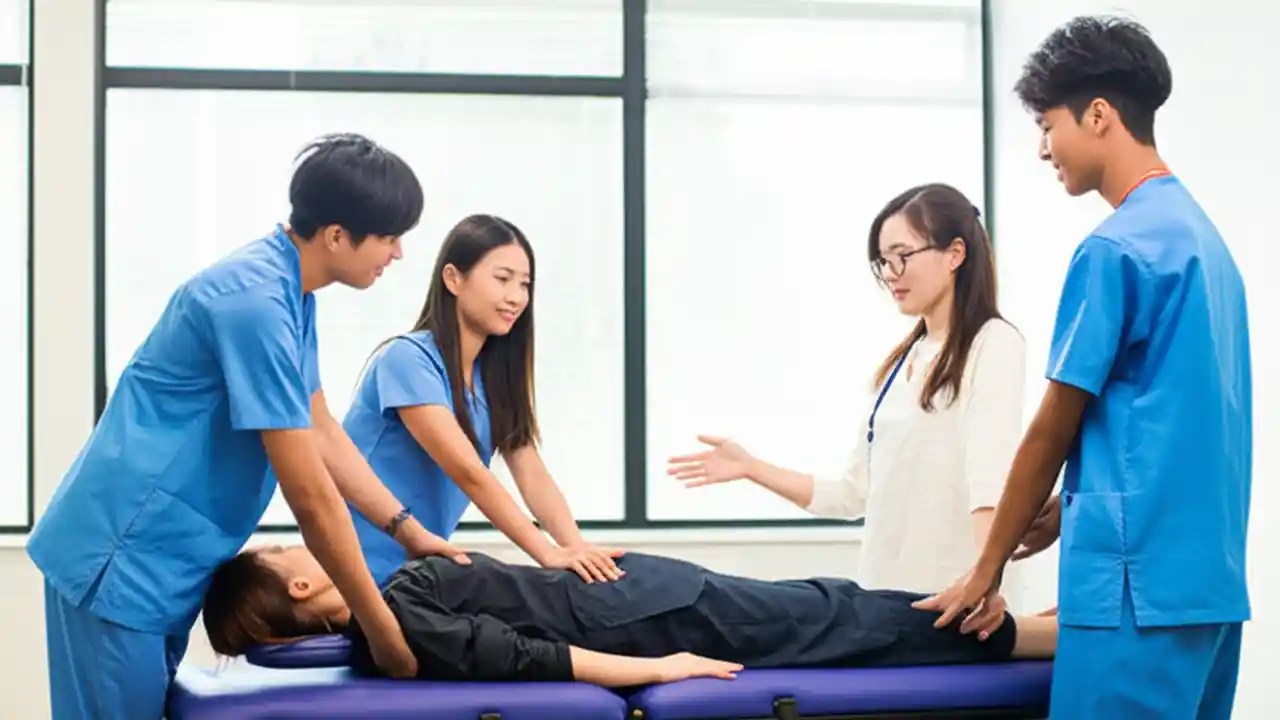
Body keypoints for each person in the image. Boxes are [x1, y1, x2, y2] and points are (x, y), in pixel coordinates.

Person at [26, 133, 468, 720]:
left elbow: (320, 430)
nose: (398, 254)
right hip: (121, 556)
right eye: (389, 237)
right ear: (337, 236)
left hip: (166, 561)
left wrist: (406, 531)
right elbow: (310, 495)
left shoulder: (291, 294)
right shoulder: (254, 302)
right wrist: (379, 627)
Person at [915, 16, 1252, 720]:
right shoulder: (1206, 245)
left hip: (1133, 593)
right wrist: (1071, 511)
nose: (1043, 149)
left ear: (1098, 115)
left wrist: (986, 568)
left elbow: (1052, 427)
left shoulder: (1115, 249)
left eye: (1046, 124)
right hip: (1206, 588)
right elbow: (1167, 419)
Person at [668, 184, 1025, 620]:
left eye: (902, 255)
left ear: (954, 254)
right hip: (880, 601)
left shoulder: (993, 344)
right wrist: (750, 467)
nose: (891, 272)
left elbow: (991, 486)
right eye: (883, 261)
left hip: (951, 603)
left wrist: (984, 584)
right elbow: (853, 495)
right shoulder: (900, 364)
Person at [200, 544, 1058, 687]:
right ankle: (1032, 637)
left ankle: (1031, 628)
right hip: (652, 620)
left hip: (644, 598)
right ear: (305, 591)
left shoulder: (392, 615)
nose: (305, 549)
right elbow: (526, 657)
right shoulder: (396, 622)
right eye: (289, 555)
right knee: (836, 619)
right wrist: (659, 669)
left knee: (827, 608)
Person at [342, 214, 621, 587]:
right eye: (502, 279)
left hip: (416, 577)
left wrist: (577, 550)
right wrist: (547, 553)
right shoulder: (407, 360)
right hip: (359, 574)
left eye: (525, 285)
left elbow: (531, 472)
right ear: (453, 278)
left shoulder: (492, 381)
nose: (516, 297)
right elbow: (469, 472)